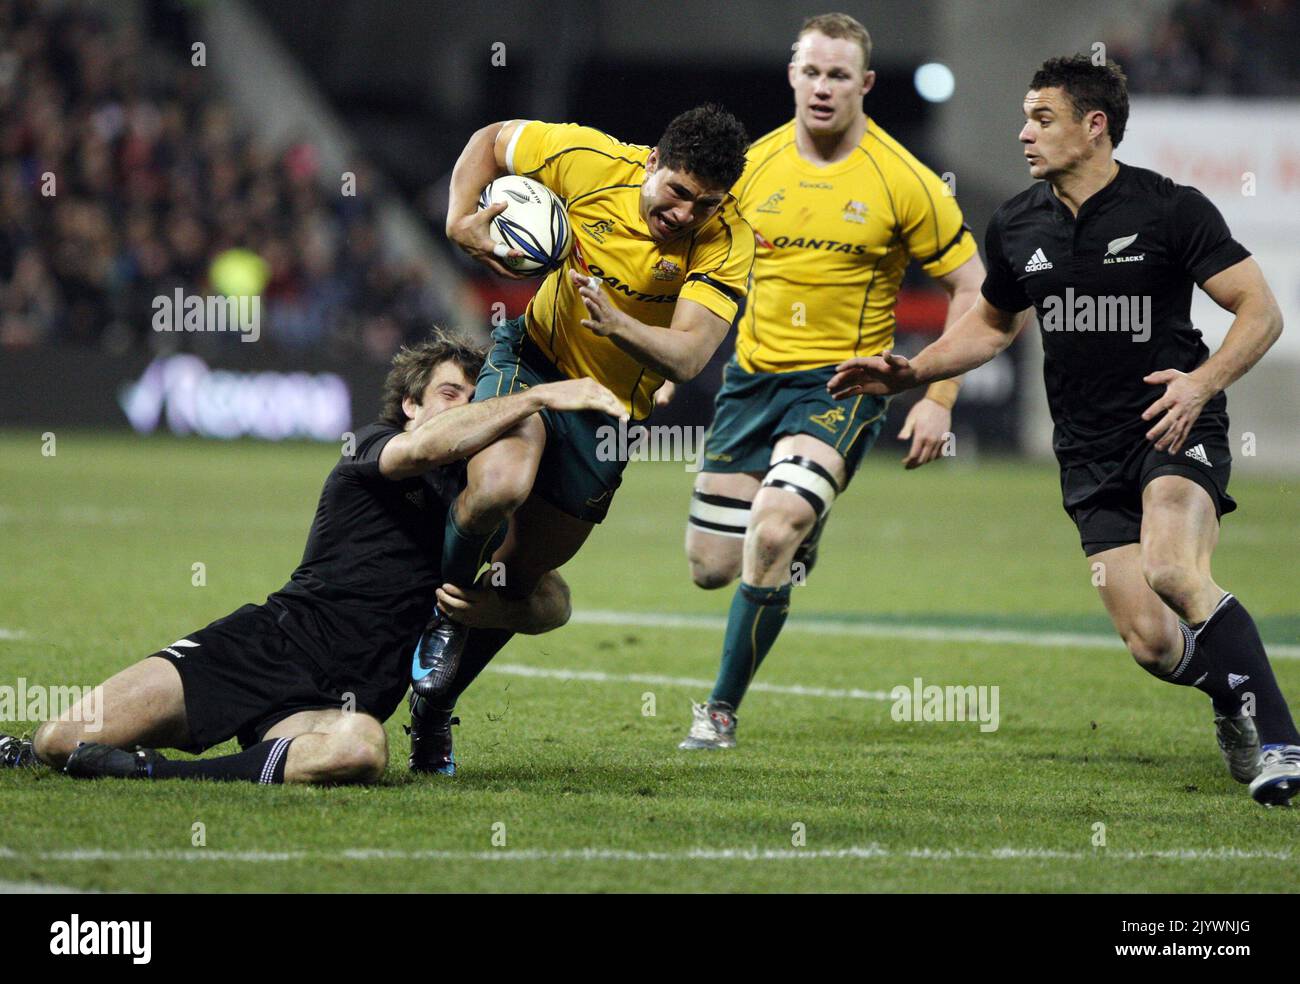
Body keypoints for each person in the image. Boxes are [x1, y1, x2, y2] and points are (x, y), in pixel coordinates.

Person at [828, 55, 1299, 806]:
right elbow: (990, 324)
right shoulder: (1017, 224)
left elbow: (1261, 310)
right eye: (1024, 117)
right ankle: (1232, 694)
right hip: (1087, 446)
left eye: (1041, 118)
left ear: (1094, 126)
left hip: (1174, 420)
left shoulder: (1170, 209)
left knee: (1174, 571)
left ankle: (1282, 741)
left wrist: (1202, 384)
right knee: (1149, 641)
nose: (1024, 133)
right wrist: (914, 375)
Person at [0, 334, 625, 784]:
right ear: (411, 404)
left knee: (363, 749)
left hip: (340, 705)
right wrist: (536, 398)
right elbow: (426, 447)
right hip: (263, 648)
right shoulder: (376, 451)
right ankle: (45, 753)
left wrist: (495, 608)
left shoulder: (480, 512)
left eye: (473, 396)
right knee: (59, 740)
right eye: (449, 394)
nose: (463, 408)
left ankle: (152, 774)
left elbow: (554, 601)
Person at [676, 13, 984, 749]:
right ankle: (804, 518)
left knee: (773, 527)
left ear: (865, 84)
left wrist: (938, 396)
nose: (822, 87)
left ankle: (719, 711)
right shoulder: (750, 169)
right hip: (751, 382)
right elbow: (702, 268)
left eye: (839, 74)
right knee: (710, 568)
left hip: (841, 385)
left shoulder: (904, 180)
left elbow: (975, 290)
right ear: (791, 75)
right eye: (811, 71)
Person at [411, 105, 755, 703]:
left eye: (706, 204)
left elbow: (689, 357)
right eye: (678, 193)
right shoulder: (590, 161)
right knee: (498, 487)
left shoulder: (726, 241)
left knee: (519, 584)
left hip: (610, 411)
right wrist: (457, 220)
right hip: (535, 357)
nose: (685, 215)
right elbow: (491, 140)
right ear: (652, 162)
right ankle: (442, 613)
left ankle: (437, 705)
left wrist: (617, 324)